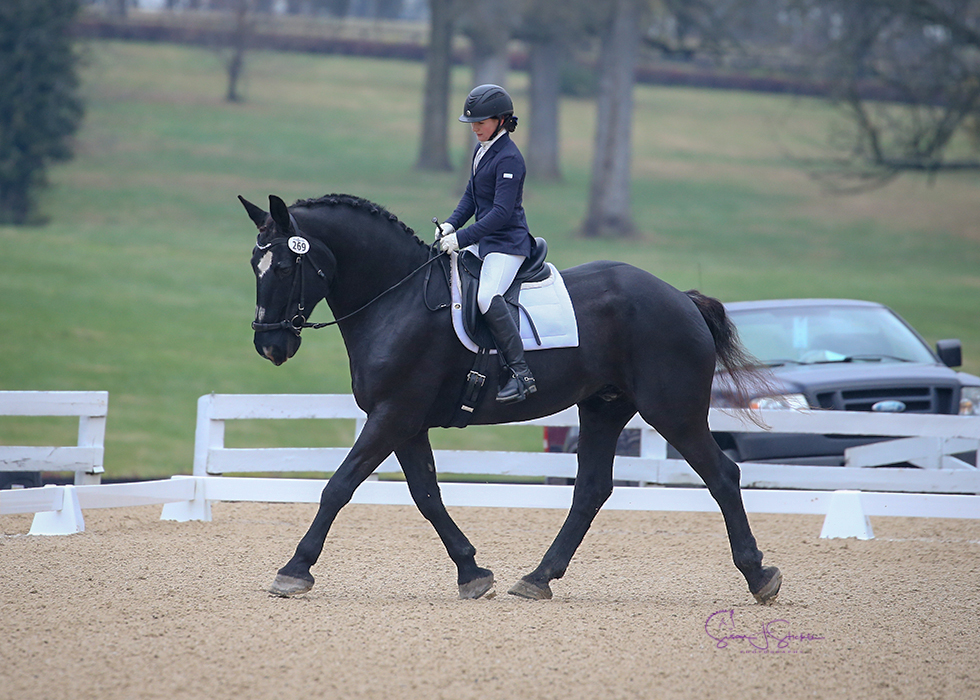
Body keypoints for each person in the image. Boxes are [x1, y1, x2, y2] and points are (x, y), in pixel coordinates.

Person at [436, 84, 537, 404]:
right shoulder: (483, 150)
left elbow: (501, 213)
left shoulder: (510, 158)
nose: (475, 127)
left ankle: (521, 373)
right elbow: (470, 197)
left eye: (481, 121)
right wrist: (451, 224)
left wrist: (462, 238)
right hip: (485, 239)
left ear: (501, 120)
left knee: (485, 297)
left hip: (507, 244)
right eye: (473, 123)